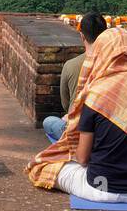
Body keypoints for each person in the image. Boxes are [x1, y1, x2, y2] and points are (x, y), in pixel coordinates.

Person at [26, 27, 127, 202]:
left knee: (42, 166)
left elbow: (83, 158)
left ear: (101, 52)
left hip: (100, 188)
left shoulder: (96, 94)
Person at [43, 11, 108, 143]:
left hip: (78, 127)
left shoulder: (71, 65)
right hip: (105, 129)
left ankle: (65, 149)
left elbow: (66, 104)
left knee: (49, 122)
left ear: (82, 35)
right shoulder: (112, 64)